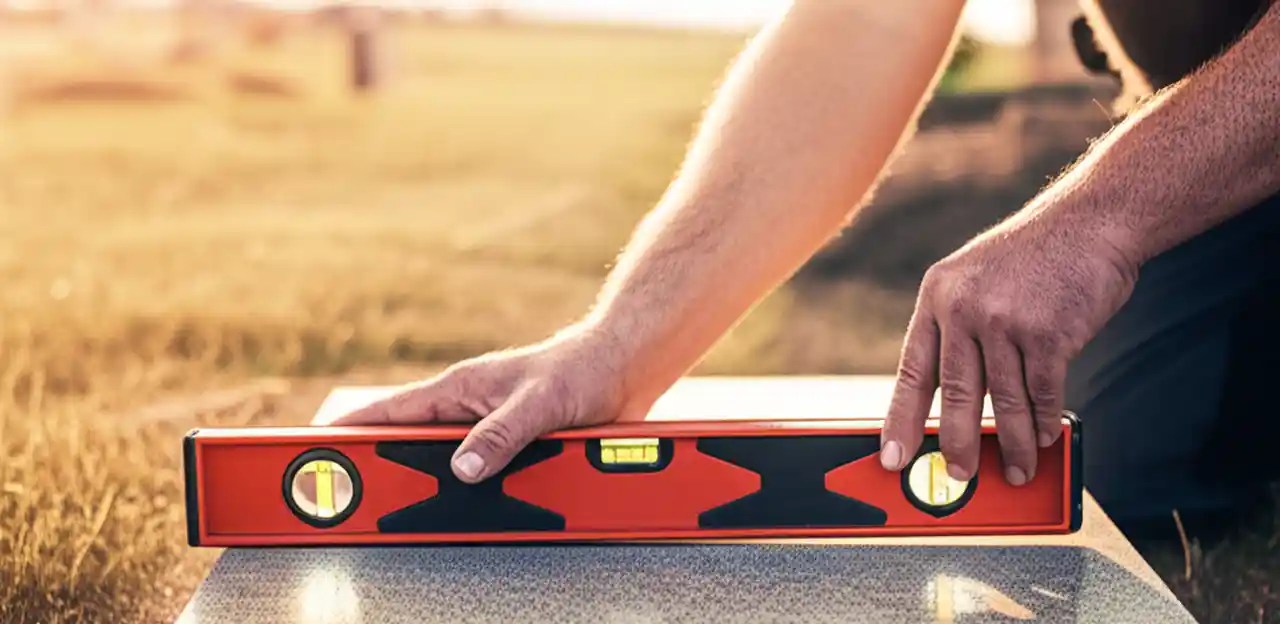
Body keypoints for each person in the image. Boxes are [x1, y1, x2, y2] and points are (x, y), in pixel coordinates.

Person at [331, 0, 1280, 532]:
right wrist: (620, 346)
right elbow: (865, 22)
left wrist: (1099, 217)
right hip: (1206, 156)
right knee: (1084, 462)